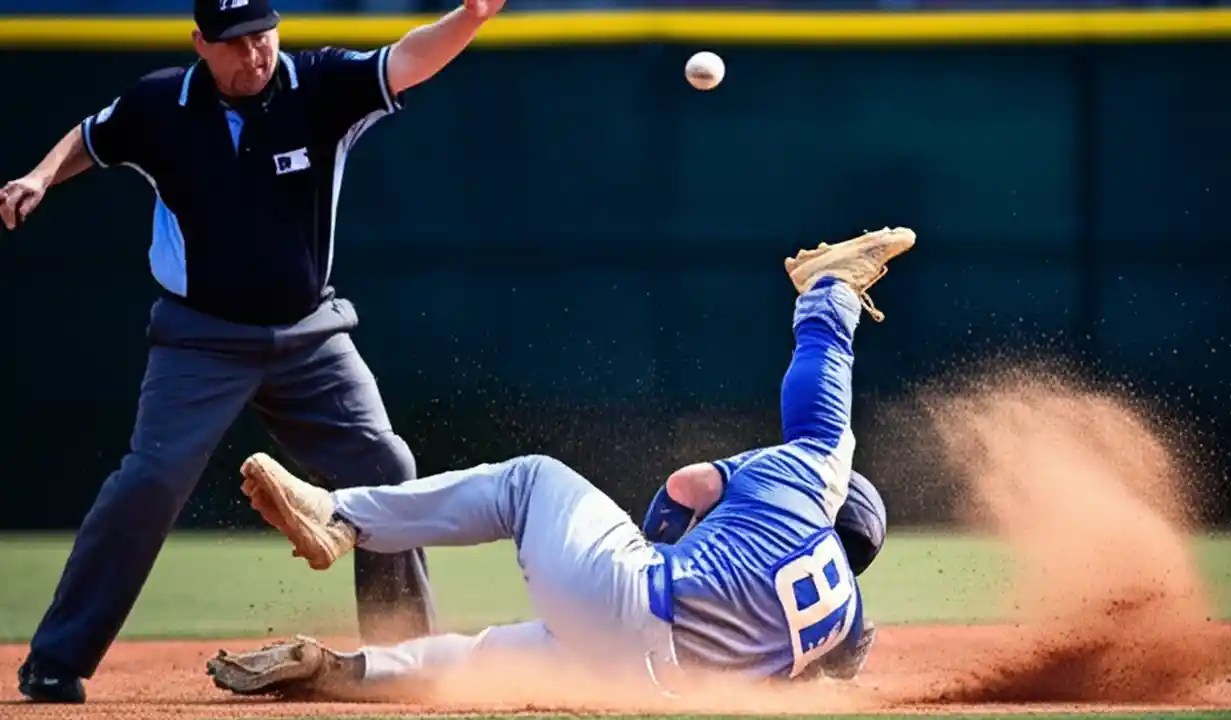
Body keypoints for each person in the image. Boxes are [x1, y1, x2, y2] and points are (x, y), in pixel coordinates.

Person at [0, 0, 507, 704]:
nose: (254, 54)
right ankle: (56, 659)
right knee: (150, 479)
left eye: (262, 36)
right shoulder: (161, 105)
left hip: (309, 336)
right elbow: (91, 136)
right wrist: (38, 176)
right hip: (200, 338)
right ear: (200, 44)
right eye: (235, 43)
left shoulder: (319, 86)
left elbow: (408, 58)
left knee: (386, 467)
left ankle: (403, 657)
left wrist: (471, 16)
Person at [204, 226, 913, 696]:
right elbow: (846, 663)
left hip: (636, 598)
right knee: (486, 660)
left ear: (837, 502)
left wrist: (830, 294)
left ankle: (341, 516)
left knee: (527, 481)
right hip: (648, 687)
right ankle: (341, 671)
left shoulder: (800, 485)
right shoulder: (845, 617)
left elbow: (689, 482)